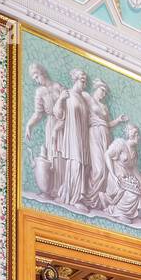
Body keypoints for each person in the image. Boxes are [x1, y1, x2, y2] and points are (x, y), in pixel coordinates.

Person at [24, 63, 66, 198]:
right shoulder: (40, 92)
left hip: (64, 124)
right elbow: (38, 113)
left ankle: (63, 189)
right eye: (34, 78)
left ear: (42, 72)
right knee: (53, 154)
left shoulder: (58, 87)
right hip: (51, 124)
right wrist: (29, 125)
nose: (36, 80)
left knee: (63, 155)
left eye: (36, 76)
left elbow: (68, 107)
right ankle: (52, 188)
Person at [86, 80, 128, 207]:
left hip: (105, 134)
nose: (103, 94)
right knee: (98, 168)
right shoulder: (88, 99)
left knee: (105, 167)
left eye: (105, 92)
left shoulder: (104, 107)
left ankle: (98, 200)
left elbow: (108, 124)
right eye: (102, 90)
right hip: (94, 133)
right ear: (96, 88)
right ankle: (89, 197)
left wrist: (118, 120)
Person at [58, 69, 94, 209]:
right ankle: (74, 197)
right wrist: (61, 99)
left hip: (82, 134)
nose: (84, 84)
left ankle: (77, 194)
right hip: (72, 132)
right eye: (82, 80)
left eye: (85, 81)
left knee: (82, 164)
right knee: (76, 162)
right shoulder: (68, 94)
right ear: (76, 80)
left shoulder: (83, 98)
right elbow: (58, 113)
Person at [103, 125, 141, 222]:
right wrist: (113, 175)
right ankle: (117, 211)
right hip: (116, 179)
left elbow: (134, 169)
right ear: (129, 134)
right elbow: (107, 155)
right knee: (132, 194)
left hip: (126, 179)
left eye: (137, 134)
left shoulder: (134, 152)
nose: (137, 136)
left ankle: (122, 212)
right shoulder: (120, 144)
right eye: (135, 133)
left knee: (137, 191)